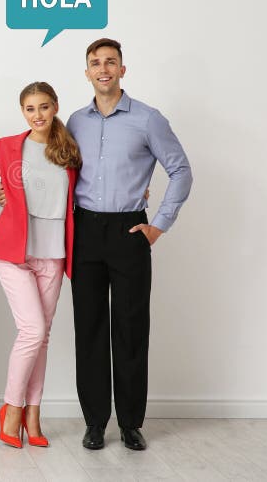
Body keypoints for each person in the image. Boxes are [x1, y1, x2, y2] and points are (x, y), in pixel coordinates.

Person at [67, 38, 192, 450]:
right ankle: (95, 423)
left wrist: (157, 226)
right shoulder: (74, 121)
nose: (103, 69)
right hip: (84, 231)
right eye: (95, 63)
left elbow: (180, 170)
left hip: (129, 232)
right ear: (86, 72)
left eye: (110, 62)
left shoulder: (148, 119)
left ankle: (131, 423)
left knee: (131, 327)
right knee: (89, 328)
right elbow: (54, 172)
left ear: (123, 69)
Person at [0, 82, 80, 448]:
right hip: (16, 254)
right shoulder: (7, 146)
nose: (38, 115)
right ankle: (12, 410)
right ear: (23, 112)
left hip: (54, 253)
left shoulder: (69, 150)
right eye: (31, 109)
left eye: (44, 107)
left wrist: (136, 189)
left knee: (41, 336)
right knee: (32, 331)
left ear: (55, 107)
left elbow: (94, 186)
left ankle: (34, 415)